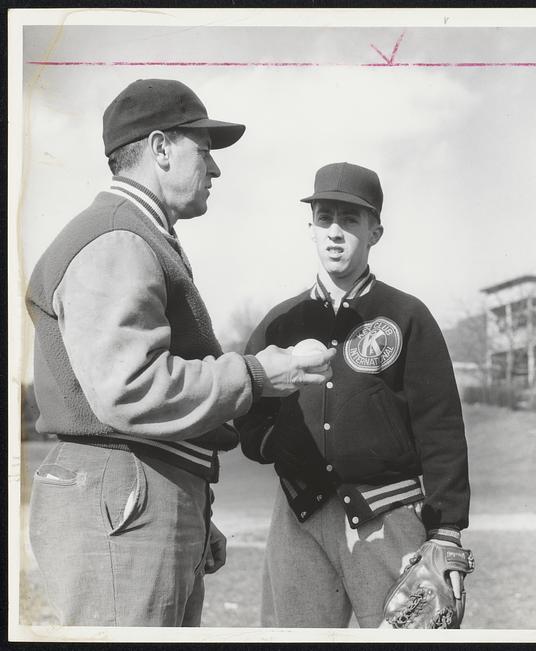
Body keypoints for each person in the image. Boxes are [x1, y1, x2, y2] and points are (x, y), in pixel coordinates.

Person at [25, 78, 334, 627]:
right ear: (162, 148)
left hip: (138, 496)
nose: (215, 170)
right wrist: (257, 375)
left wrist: (191, 510)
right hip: (122, 493)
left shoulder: (134, 233)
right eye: (205, 151)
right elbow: (131, 389)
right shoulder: (119, 237)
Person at [235, 162, 471, 628]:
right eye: (324, 219)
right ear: (312, 228)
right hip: (298, 513)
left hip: (388, 512)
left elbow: (440, 425)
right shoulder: (282, 321)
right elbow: (247, 408)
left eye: (350, 220)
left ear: (375, 231)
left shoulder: (405, 315)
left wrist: (446, 529)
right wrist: (274, 443)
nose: (335, 232)